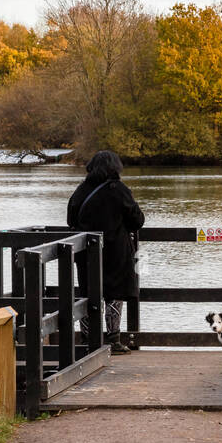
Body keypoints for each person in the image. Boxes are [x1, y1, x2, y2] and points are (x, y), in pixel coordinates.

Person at [67, 150, 145, 355]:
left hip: (85, 251)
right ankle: (113, 340)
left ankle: (86, 340)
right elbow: (137, 221)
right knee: (114, 293)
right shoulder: (119, 190)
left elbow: (71, 220)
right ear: (115, 167)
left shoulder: (81, 190)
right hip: (115, 251)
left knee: (87, 292)